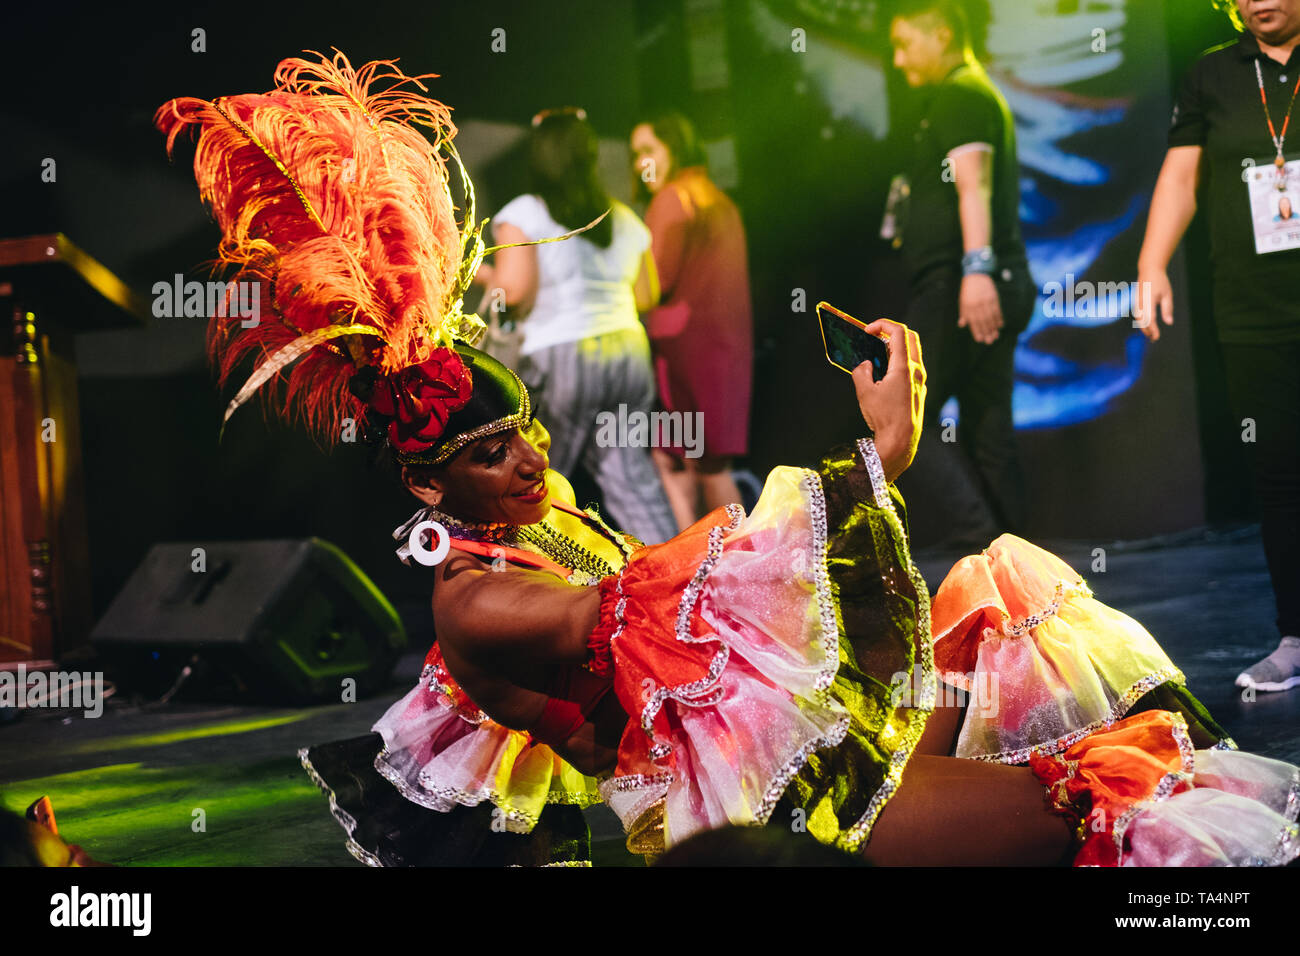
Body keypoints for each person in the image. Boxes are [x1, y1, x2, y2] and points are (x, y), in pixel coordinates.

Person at [160, 52, 1300, 867]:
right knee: (1078, 810)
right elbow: (668, 591)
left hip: (774, 746)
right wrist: (877, 455)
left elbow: (698, 599)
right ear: (424, 484)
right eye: (487, 451)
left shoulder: (536, 524)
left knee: (992, 588)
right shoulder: (476, 600)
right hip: (744, 809)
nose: (526, 459)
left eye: (526, 434)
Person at [1135, 0, 1300, 693]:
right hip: (1253, 308)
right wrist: (1150, 267)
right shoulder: (1211, 75)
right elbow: (1180, 177)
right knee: (1280, 474)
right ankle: (1295, 636)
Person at [472, 108, 679, 546]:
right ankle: (683, 582)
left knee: (539, 476)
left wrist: (481, 275)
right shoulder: (623, 217)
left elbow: (513, 291)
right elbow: (647, 295)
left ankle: (524, 581)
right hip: (628, 352)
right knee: (632, 480)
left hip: (565, 354)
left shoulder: (525, 212)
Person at [887, 0, 1038, 545]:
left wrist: (976, 273)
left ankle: (984, 545)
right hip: (980, 280)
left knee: (903, 417)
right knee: (989, 429)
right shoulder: (966, 94)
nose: (900, 60)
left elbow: (976, 185)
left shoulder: (961, 94)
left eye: (906, 44)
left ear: (943, 34)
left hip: (960, 284)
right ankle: (1017, 568)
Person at [630, 113, 754, 529]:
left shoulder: (671, 199)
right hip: (722, 351)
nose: (639, 164)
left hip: (685, 355)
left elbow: (652, 283)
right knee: (680, 458)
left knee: (701, 465)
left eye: (648, 151)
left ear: (675, 148)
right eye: (635, 155)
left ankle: (726, 565)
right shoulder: (717, 198)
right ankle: (705, 563)